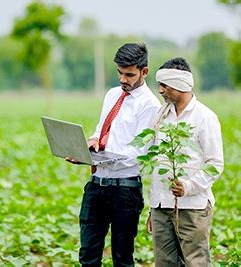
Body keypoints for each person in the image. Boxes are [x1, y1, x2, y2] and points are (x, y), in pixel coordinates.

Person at [66, 43, 161, 266]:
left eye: (129, 75)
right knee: (87, 255)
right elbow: (101, 130)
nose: (123, 79)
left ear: (144, 72)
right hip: (96, 184)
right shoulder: (112, 95)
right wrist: (89, 145)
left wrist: (106, 156)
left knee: (122, 257)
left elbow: (140, 152)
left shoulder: (150, 105)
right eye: (119, 73)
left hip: (125, 190)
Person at [147, 57, 224, 266]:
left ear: (180, 84)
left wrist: (188, 186)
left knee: (195, 262)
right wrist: (152, 208)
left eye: (164, 85)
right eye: (159, 85)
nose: (160, 91)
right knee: (164, 263)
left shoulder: (204, 117)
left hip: (193, 207)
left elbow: (215, 163)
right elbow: (157, 161)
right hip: (161, 205)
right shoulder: (162, 116)